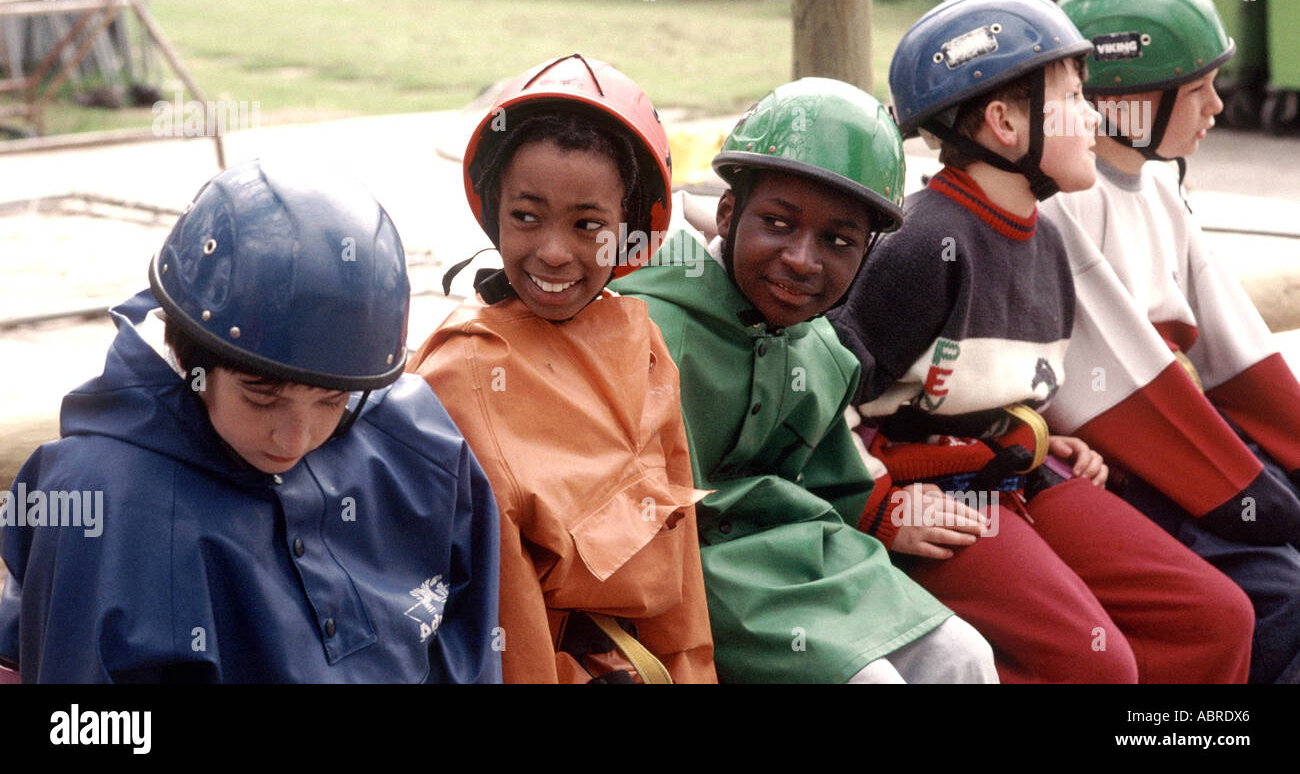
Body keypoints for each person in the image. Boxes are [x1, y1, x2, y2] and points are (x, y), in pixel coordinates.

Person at [828, 0, 1254, 683]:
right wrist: (876, 506)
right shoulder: (924, 245)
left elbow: (980, 384)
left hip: (1015, 476)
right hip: (929, 498)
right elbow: (820, 397)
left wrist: (1034, 431)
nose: (1094, 117)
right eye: (1075, 98)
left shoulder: (1046, 240)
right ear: (1004, 122)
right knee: (1094, 663)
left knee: (1214, 618)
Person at [0, 158, 501, 683]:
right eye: (261, 397)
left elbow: (473, 654)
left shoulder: (417, 442)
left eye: (331, 400)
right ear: (192, 358)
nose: (295, 437)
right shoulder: (101, 503)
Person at [612, 77, 999, 684]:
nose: (801, 259)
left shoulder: (824, 354)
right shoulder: (647, 328)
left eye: (838, 241)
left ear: (867, 253)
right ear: (726, 213)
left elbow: (830, 483)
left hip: (801, 556)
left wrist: (881, 510)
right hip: (688, 569)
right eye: (777, 222)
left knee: (963, 654)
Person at [408, 54, 716, 684]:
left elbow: (680, 566)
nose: (553, 252)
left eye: (588, 225)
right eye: (526, 216)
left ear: (629, 229)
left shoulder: (641, 341)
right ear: (494, 211)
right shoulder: (461, 373)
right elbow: (501, 618)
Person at [1041, 0, 1300, 683]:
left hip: (1184, 436)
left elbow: (1231, 336)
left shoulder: (1159, 180)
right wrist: (1243, 487)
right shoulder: (1065, 204)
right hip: (1125, 461)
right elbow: (1115, 380)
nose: (1217, 106)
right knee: (1281, 596)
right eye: (1197, 89)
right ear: (1126, 100)